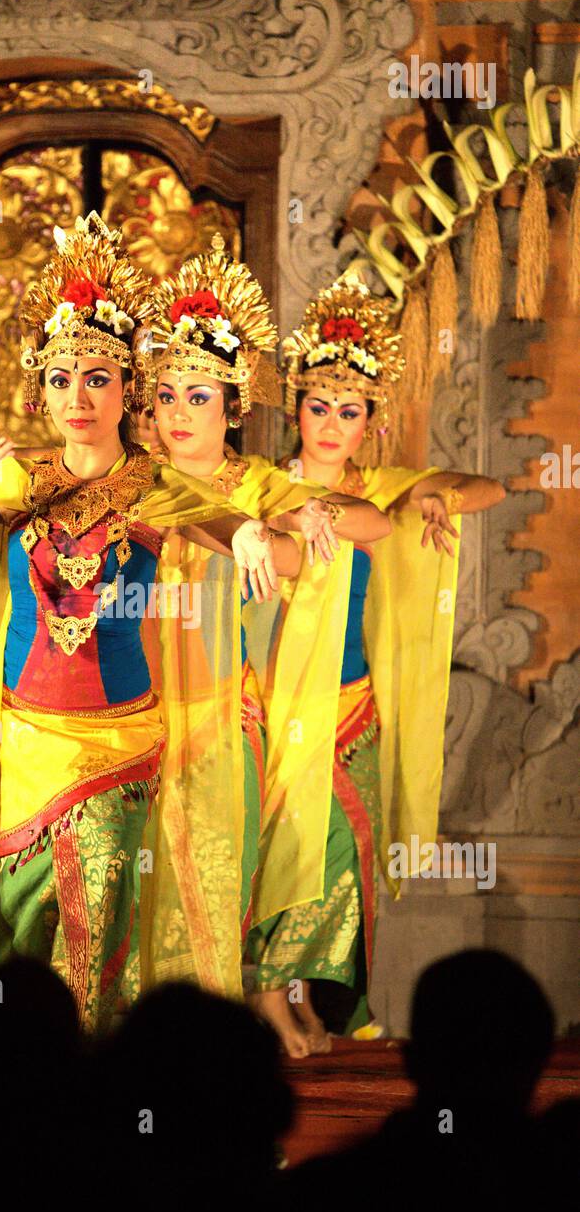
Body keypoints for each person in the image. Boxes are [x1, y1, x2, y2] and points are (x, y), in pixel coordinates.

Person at [0, 212, 293, 1032]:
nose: (77, 398)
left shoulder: (154, 485)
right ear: (42, 391)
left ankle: (88, 1082)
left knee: (93, 934)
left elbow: (221, 521)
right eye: (61, 380)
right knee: (18, 941)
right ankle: (32, 1075)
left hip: (117, 743)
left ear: (128, 389)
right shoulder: (17, 480)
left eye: (97, 378)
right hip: (20, 743)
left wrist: (247, 533)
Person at [129, 236, 391, 1035]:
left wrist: (295, 517)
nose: (179, 412)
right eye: (166, 395)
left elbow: (347, 531)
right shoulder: (130, 478)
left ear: (233, 406)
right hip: (132, 715)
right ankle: (142, 1041)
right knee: (142, 885)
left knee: (224, 873)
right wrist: (237, 529)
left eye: (197, 396)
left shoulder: (255, 481)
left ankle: (212, 1038)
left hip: (225, 710)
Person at [244, 276, 506, 1052]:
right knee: (282, 850)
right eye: (319, 407)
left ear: (370, 422)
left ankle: (304, 997)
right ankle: (268, 995)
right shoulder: (260, 488)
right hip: (274, 702)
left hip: (353, 701)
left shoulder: (381, 493)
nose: (331, 425)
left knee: (344, 857)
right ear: (295, 409)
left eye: (349, 412)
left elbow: (488, 489)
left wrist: (437, 493)